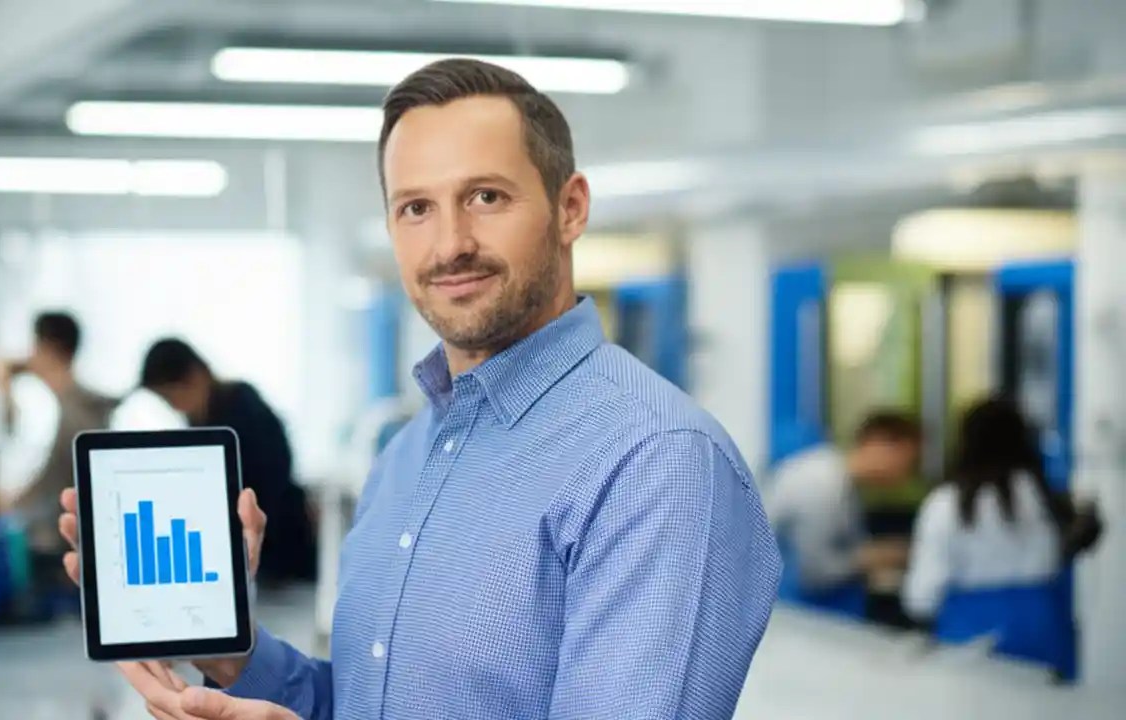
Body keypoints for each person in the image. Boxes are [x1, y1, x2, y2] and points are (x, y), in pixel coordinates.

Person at [59, 58, 779, 720]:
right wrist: (232, 654)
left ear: (570, 208)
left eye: (486, 197)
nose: (449, 245)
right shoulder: (408, 454)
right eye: (416, 208)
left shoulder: (657, 462)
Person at [901, 397, 1076, 673]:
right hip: (1044, 628)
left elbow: (922, 597)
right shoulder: (1041, 497)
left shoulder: (947, 503)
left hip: (973, 635)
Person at [139, 338, 316, 584]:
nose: (176, 407)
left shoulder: (245, 411)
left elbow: (270, 486)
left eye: (173, 396)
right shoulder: (202, 420)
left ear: (196, 376)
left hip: (277, 550)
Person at [764, 411, 922, 616]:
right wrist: (872, 558)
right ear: (880, 445)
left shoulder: (842, 482)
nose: (906, 475)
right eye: (907, 463)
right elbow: (814, 574)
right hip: (795, 614)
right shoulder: (819, 485)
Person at [1, 312, 116, 556]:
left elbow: (54, 483)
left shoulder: (77, 414)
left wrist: (5, 504)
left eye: (34, 346)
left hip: (62, 546)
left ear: (47, 348)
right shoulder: (78, 404)